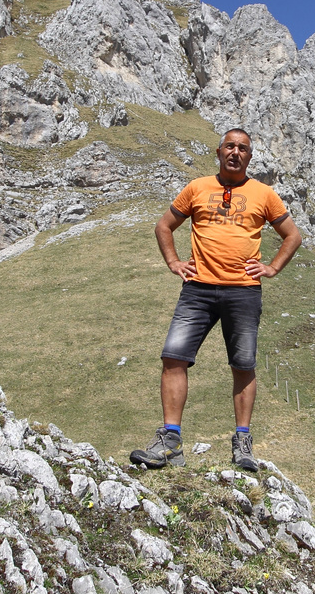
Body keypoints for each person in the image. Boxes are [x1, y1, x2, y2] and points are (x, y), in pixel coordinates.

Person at [129, 128, 302, 472]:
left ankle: (242, 443)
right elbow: (164, 226)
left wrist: (272, 267)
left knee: (243, 365)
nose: (236, 152)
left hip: (244, 291)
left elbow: (292, 236)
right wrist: (173, 262)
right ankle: (170, 442)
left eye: (243, 148)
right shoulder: (197, 188)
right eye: (230, 146)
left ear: (250, 157)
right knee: (173, 357)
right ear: (219, 151)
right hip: (198, 289)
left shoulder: (263, 194)